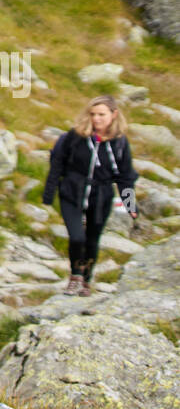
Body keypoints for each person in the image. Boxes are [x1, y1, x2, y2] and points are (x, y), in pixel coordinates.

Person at [42, 95, 138, 296]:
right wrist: (49, 194)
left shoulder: (120, 143)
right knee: (77, 237)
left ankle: (87, 279)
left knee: (92, 240)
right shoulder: (75, 137)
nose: (96, 119)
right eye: (93, 114)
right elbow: (57, 163)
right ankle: (75, 276)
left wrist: (130, 205)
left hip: (101, 195)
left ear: (114, 115)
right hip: (71, 191)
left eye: (101, 115)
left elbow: (126, 176)